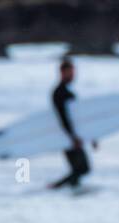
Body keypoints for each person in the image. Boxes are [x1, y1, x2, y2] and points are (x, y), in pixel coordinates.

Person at [49, 57, 96, 190]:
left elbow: (79, 119)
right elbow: (62, 118)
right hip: (67, 137)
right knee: (82, 168)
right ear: (62, 72)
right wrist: (72, 137)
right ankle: (57, 188)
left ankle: (65, 188)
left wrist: (92, 136)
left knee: (81, 168)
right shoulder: (59, 93)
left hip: (73, 136)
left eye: (73, 72)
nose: (73, 75)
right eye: (70, 72)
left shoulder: (68, 93)